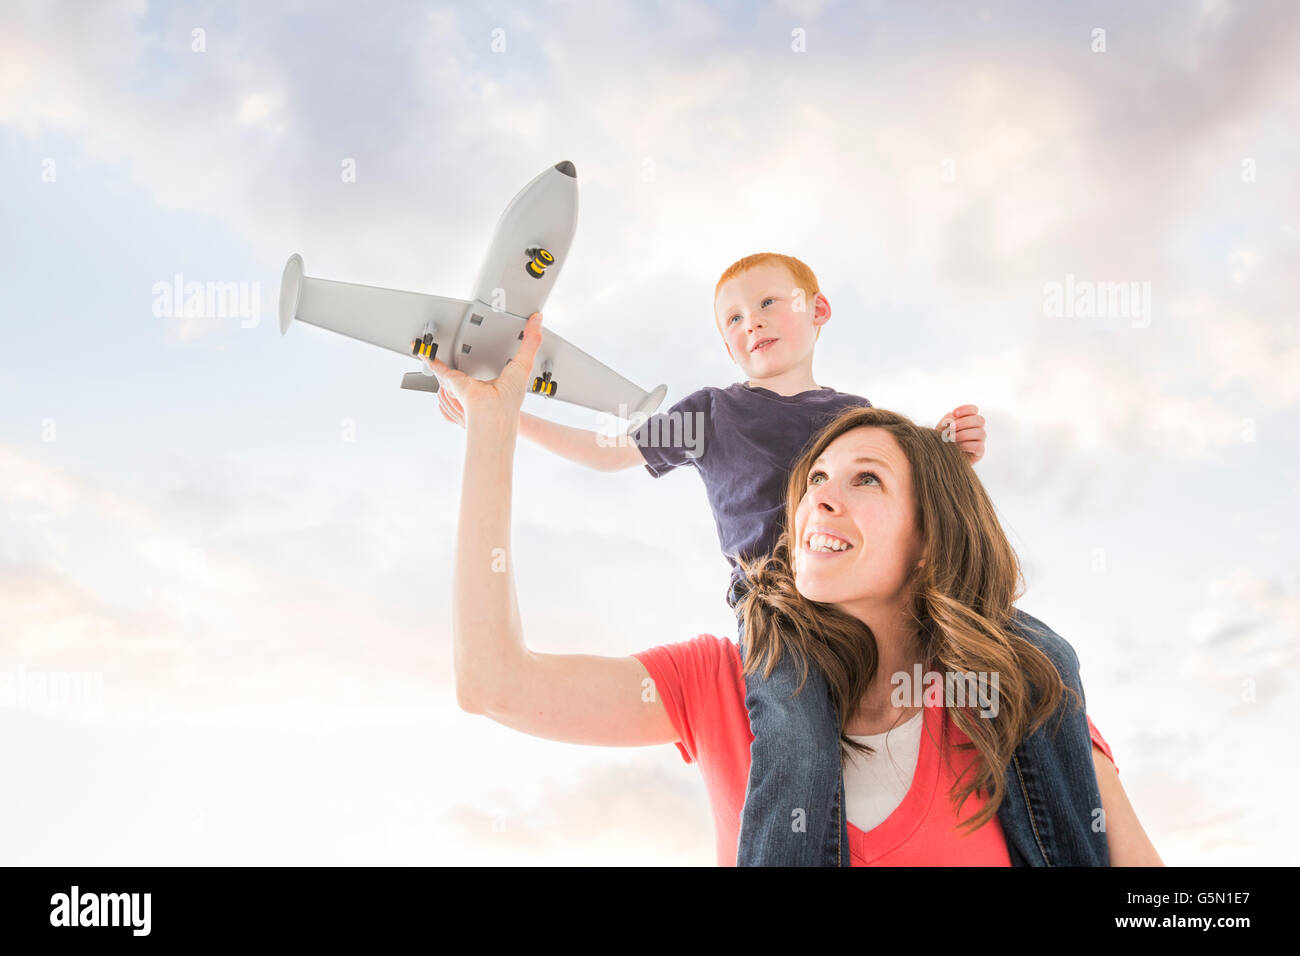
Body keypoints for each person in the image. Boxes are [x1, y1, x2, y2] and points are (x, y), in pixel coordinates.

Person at [429, 312, 1163, 867]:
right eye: (814, 481)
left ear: (929, 537)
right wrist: (493, 424)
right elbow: (494, 683)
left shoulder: (1022, 701)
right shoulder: (720, 685)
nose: (820, 499)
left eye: (866, 478)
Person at [433, 251, 987, 865]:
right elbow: (610, 451)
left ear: (818, 310)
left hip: (867, 602)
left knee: (1024, 661)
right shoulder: (712, 415)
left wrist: (946, 450)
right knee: (795, 733)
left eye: (769, 303)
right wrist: (507, 419)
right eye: (733, 319)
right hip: (780, 612)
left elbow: (911, 497)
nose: (751, 322)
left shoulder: (856, 417)